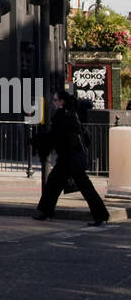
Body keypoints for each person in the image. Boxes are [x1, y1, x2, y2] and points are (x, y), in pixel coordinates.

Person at [33, 87, 109, 225]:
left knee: (82, 187)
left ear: (62, 102)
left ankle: (101, 215)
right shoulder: (70, 113)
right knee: (54, 184)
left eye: (55, 100)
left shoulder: (64, 115)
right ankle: (45, 211)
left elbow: (55, 136)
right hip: (69, 158)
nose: (53, 103)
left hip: (71, 158)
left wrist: (39, 141)